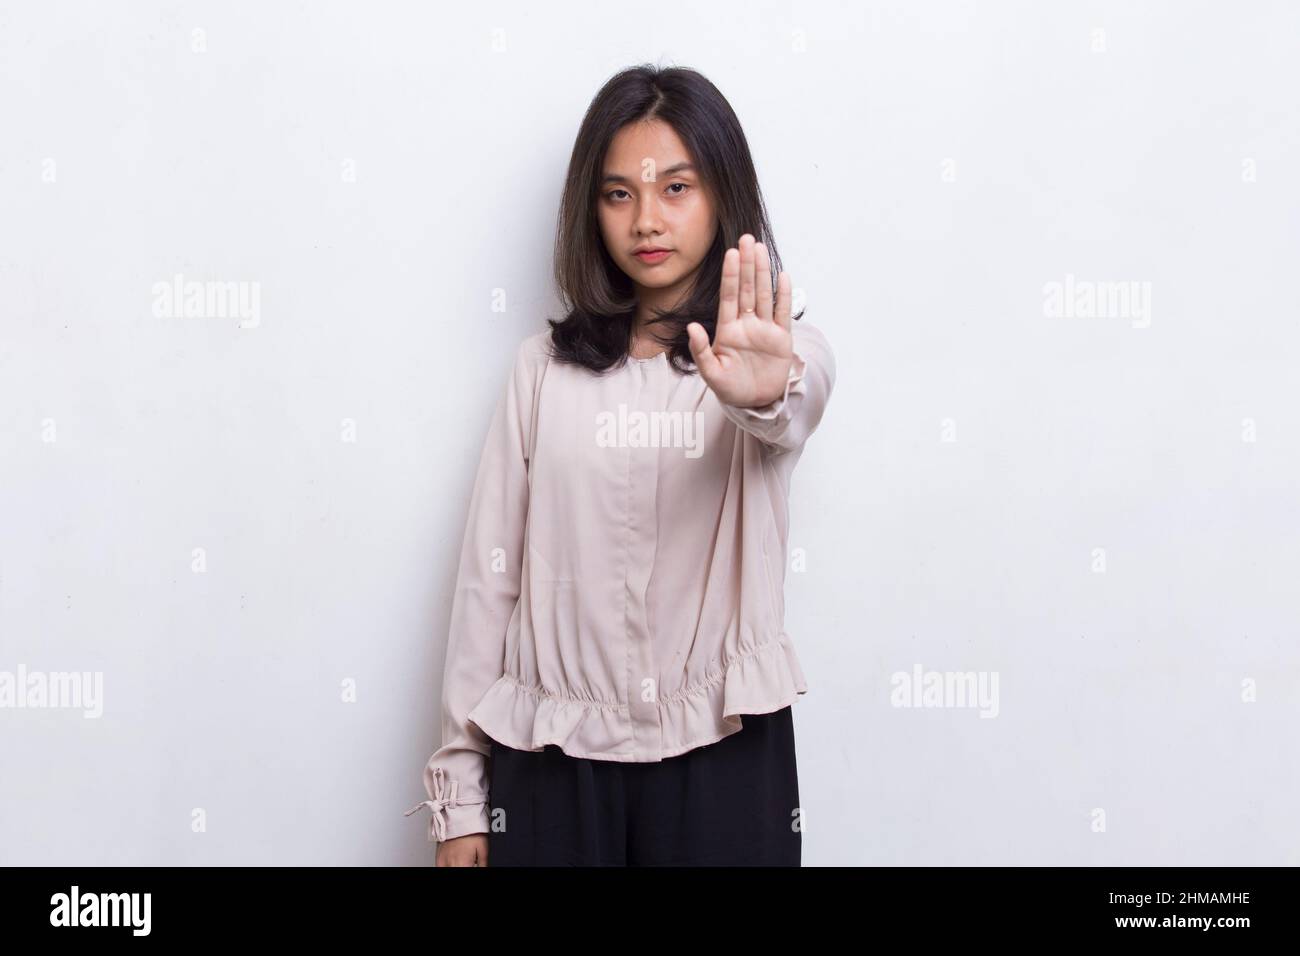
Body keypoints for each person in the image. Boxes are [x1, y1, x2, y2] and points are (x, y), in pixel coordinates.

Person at [406, 63, 836, 866]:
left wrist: (766, 390)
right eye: (618, 194)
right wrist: (461, 796)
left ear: (723, 195)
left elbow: (794, 401)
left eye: (677, 187)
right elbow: (486, 584)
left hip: (725, 753)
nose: (646, 219)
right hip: (553, 763)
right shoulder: (541, 370)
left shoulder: (776, 352)